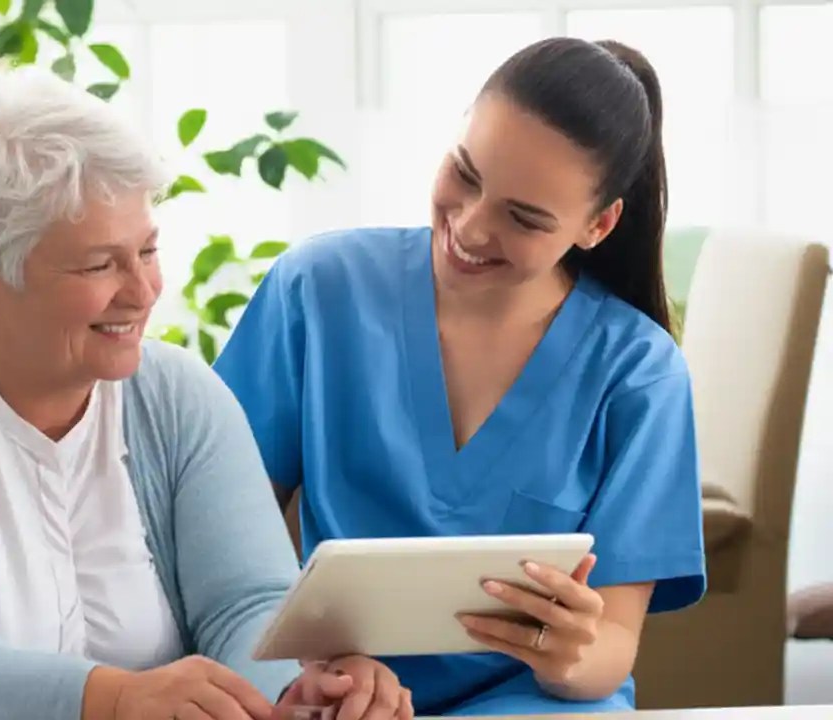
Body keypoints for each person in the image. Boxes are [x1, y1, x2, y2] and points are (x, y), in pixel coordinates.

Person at [0, 64, 413, 720]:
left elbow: (250, 605)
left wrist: (293, 696)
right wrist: (110, 698)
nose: (143, 290)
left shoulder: (181, 397)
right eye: (99, 264)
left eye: (147, 251)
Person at [213, 37, 707, 717]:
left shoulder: (638, 373)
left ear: (599, 225)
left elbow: (612, 644)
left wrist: (570, 655)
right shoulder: (317, 292)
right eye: (466, 174)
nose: (470, 227)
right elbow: (223, 547)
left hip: (529, 700)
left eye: (524, 217)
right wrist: (315, 668)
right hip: (335, 689)